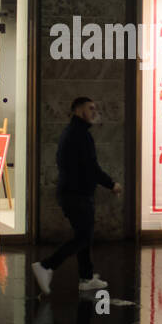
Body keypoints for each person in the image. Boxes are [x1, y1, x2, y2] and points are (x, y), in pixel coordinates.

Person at [30, 97, 121, 297]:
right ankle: (46, 266)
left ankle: (86, 278)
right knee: (82, 237)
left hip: (73, 192)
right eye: (91, 108)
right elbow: (91, 167)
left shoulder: (72, 133)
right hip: (76, 194)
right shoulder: (79, 135)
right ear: (79, 110)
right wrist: (111, 184)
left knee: (84, 235)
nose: (94, 111)